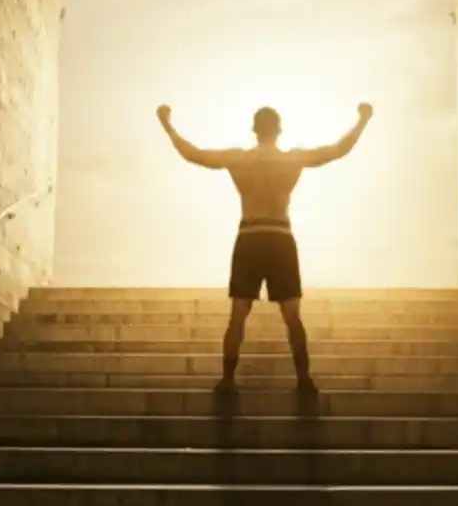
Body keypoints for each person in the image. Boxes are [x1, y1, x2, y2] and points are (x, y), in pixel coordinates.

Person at [156, 102, 374, 395]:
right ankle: (303, 379)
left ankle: (228, 379)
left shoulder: (239, 159)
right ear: (279, 130)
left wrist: (167, 124)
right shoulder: (292, 159)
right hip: (280, 237)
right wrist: (363, 119)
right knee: (292, 316)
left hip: (250, 236)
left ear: (254, 130)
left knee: (238, 313)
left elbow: (193, 154)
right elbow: (338, 149)